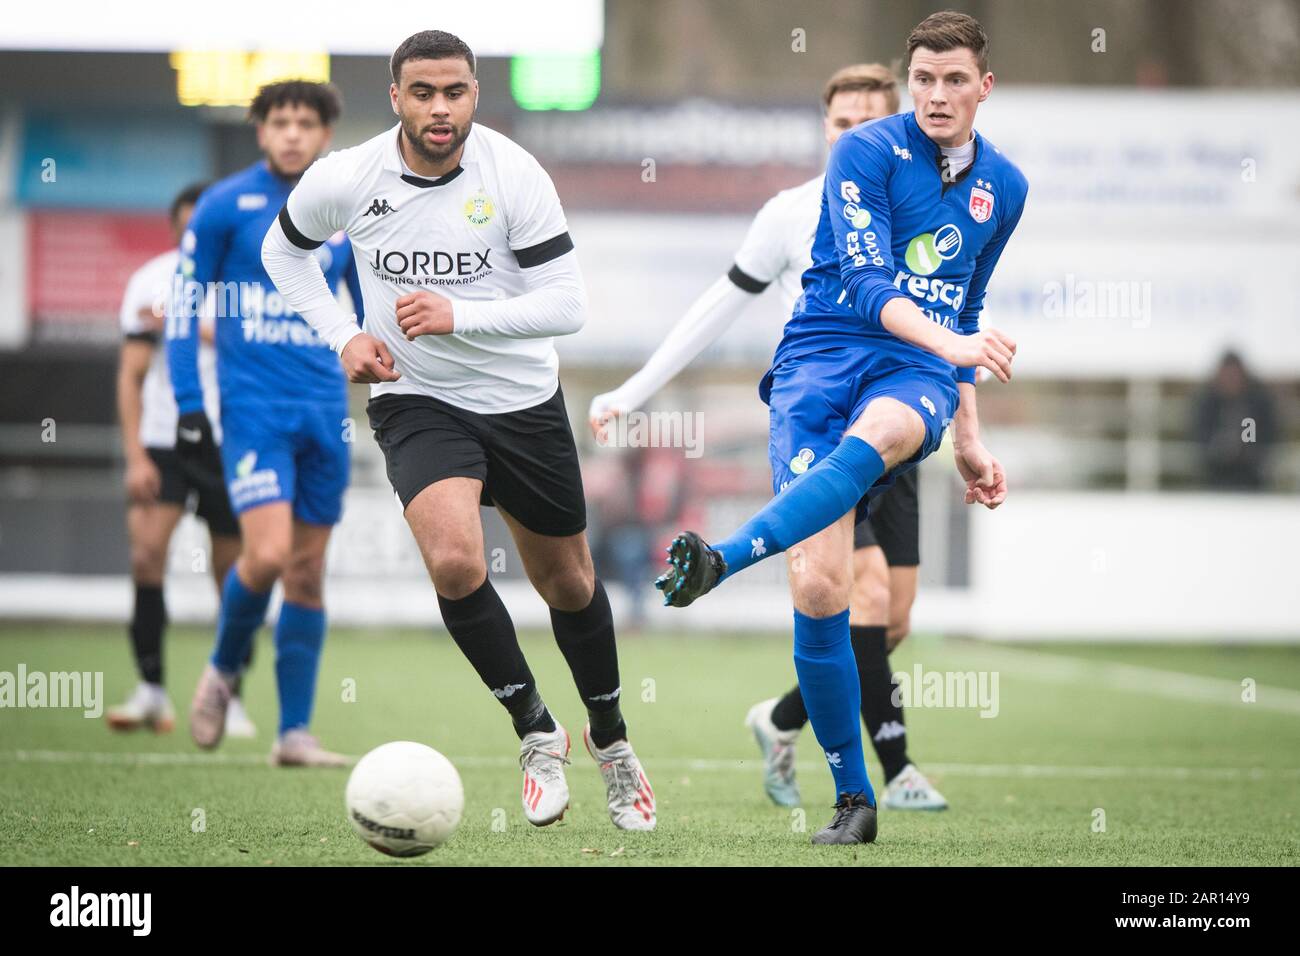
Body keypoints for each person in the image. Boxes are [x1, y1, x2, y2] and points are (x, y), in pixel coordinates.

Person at [261, 30, 654, 829]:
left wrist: (459, 316)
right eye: (423, 93)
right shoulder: (347, 177)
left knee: (568, 584)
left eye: (456, 92)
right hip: (417, 402)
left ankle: (611, 741)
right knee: (451, 560)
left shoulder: (514, 174)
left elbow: (567, 305)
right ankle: (538, 733)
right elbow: (284, 252)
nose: (441, 109)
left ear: (474, 93)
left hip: (521, 403)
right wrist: (344, 336)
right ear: (396, 97)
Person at [655, 11, 1028, 844]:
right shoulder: (862, 152)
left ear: (983, 87)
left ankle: (725, 557)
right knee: (820, 589)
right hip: (820, 359)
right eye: (924, 78)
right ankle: (853, 800)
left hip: (914, 372)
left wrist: (967, 432)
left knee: (890, 435)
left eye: (954, 79)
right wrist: (957, 343)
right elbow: (862, 282)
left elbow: (964, 302)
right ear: (911, 80)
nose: (937, 94)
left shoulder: (1005, 186)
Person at [588, 64, 947, 811]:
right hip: (821, 423)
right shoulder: (790, 214)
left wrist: (965, 422)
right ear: (828, 129)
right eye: (845, 124)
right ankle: (885, 774)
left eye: (874, 123)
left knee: (892, 618)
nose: (859, 136)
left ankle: (780, 720)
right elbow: (716, 308)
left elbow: (955, 317)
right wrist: (632, 392)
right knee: (842, 590)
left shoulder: (922, 212)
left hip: (893, 420)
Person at [166, 81, 363, 766]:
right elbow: (184, 306)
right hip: (253, 413)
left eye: (305, 122)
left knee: (308, 574)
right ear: (260, 131)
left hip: (326, 414)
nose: (291, 133)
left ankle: (294, 734)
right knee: (269, 555)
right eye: (279, 121)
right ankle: (223, 669)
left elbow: (369, 312)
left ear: (325, 134)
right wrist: (190, 403)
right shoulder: (225, 206)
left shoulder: (344, 207)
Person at [108, 183, 256, 739]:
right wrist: (135, 454)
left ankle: (229, 696)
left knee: (234, 574)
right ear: (174, 229)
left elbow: (256, 350)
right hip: (164, 440)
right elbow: (131, 374)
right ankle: (150, 689)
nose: (198, 235)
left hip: (231, 440)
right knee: (146, 556)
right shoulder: (150, 280)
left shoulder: (245, 281)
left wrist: (189, 324)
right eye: (188, 226)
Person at [1192, 350, 1277, 490]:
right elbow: (1199, 435)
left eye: (1235, 375)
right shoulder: (1207, 401)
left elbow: (1269, 434)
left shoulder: (1258, 401)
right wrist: (1220, 447)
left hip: (1252, 475)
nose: (1231, 379)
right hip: (1215, 475)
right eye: (1228, 375)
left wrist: (1249, 449)